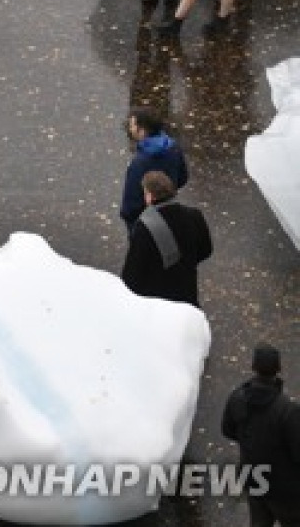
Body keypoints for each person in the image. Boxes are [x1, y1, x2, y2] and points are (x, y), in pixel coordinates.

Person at [221, 344, 300, 526]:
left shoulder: (236, 398)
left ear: (253, 367)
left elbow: (227, 430)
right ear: (278, 369)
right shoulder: (288, 410)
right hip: (285, 491)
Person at [121, 171, 212, 306]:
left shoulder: (145, 226)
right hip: (187, 293)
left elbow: (133, 273)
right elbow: (206, 250)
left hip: (157, 300)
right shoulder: (195, 215)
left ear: (150, 196)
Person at [120, 107, 188, 233]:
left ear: (142, 131)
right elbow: (183, 177)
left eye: (133, 126)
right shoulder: (173, 147)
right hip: (169, 212)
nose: (130, 129)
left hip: (145, 224)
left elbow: (129, 208)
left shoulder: (139, 164)